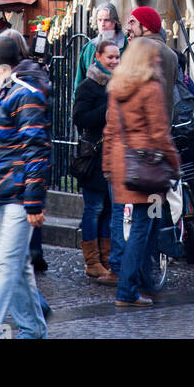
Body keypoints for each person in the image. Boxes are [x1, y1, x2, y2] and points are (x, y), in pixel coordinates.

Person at [0, 31, 51, 339]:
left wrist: (33, 200)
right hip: (6, 191)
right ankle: (33, 330)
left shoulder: (24, 91)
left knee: (5, 267)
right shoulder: (7, 90)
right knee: (18, 268)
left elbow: (35, 147)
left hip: (17, 194)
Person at [102, 37, 180, 310]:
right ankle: (128, 290)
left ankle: (139, 281)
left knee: (139, 225)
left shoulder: (117, 86)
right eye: (155, 56)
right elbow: (160, 132)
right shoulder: (150, 86)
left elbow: (110, 130)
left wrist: (107, 166)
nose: (159, 60)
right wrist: (174, 163)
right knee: (142, 228)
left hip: (125, 165)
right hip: (146, 166)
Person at [72, 37, 121, 278]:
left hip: (113, 154)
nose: (114, 61)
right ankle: (92, 261)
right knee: (94, 208)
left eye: (117, 56)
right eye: (110, 57)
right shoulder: (88, 86)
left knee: (109, 208)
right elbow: (80, 119)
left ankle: (106, 257)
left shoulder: (120, 83)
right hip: (94, 155)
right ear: (98, 58)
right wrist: (107, 110)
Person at [125, 6, 179, 116]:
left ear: (145, 25)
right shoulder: (171, 54)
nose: (128, 28)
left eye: (132, 22)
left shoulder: (140, 50)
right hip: (162, 126)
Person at [74, 3, 127, 89]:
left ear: (114, 21)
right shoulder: (89, 48)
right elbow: (79, 82)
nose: (102, 24)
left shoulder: (126, 46)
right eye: (99, 20)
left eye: (106, 20)